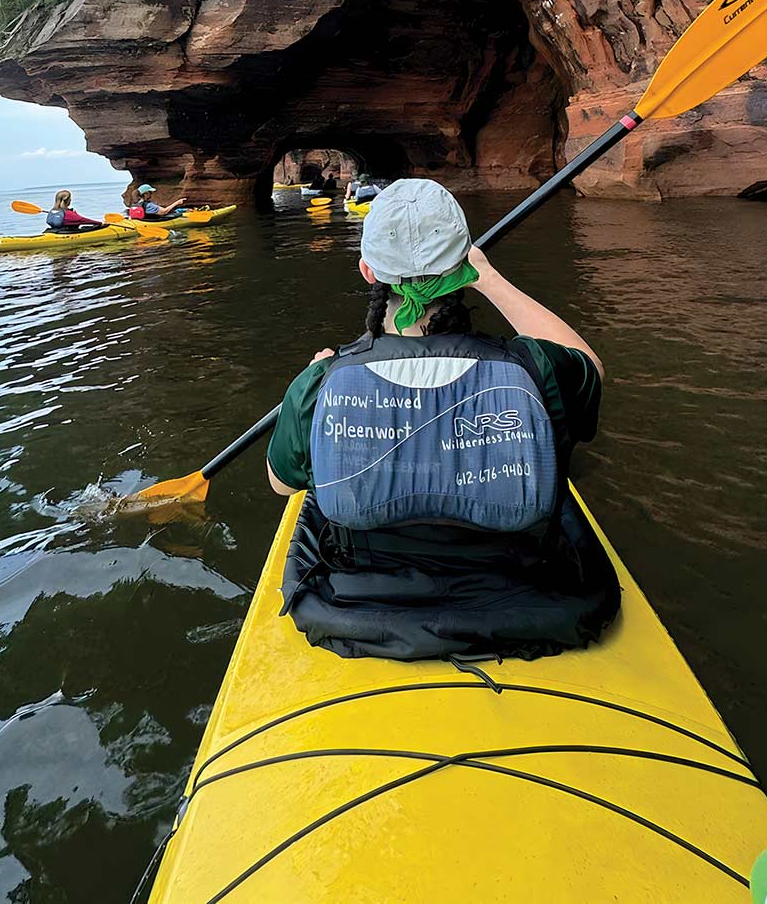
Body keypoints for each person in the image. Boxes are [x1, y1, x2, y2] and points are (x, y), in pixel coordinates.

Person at [266, 177, 620, 661]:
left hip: (360, 604)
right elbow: (590, 367)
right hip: (526, 596)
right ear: (463, 269)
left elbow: (283, 486)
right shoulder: (539, 369)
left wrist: (306, 387)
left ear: (369, 272)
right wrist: (491, 278)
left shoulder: (319, 385)